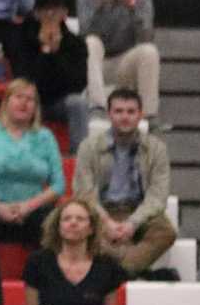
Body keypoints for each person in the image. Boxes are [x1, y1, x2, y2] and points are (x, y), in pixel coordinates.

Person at [72, 87, 178, 276]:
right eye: (118, 111)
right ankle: (136, 269)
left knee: (166, 232)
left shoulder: (156, 149)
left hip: (139, 211)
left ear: (140, 115)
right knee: (78, 230)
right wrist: (106, 222)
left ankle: (120, 271)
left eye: (131, 111)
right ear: (109, 114)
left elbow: (157, 196)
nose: (125, 117)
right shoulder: (88, 147)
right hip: (101, 210)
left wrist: (132, 223)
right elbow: (84, 193)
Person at [0, 78, 64, 245]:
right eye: (18, 97)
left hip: (33, 211)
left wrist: (27, 207)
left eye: (30, 99)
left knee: (51, 222)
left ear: (36, 107)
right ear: (6, 102)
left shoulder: (46, 137)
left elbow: (58, 185)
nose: (24, 103)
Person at [77, 0, 162, 124]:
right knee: (90, 42)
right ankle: (98, 107)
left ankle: (148, 116)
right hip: (95, 64)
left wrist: (131, 5)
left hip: (124, 63)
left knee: (149, 51)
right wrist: (101, 5)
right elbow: (84, 32)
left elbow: (146, 37)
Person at [8, 0, 89, 151]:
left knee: (77, 102)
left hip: (59, 102)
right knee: (18, 99)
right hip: (30, 100)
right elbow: (24, 81)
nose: (51, 14)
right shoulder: (22, 40)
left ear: (65, 13)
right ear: (36, 13)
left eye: (56, 9)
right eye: (45, 9)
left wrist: (56, 54)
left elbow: (78, 84)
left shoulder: (75, 43)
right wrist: (45, 52)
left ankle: (79, 157)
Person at [22, 199, 124, 305]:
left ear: (91, 228)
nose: (73, 223)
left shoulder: (107, 266)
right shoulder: (37, 263)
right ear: (58, 227)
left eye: (80, 219)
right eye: (66, 219)